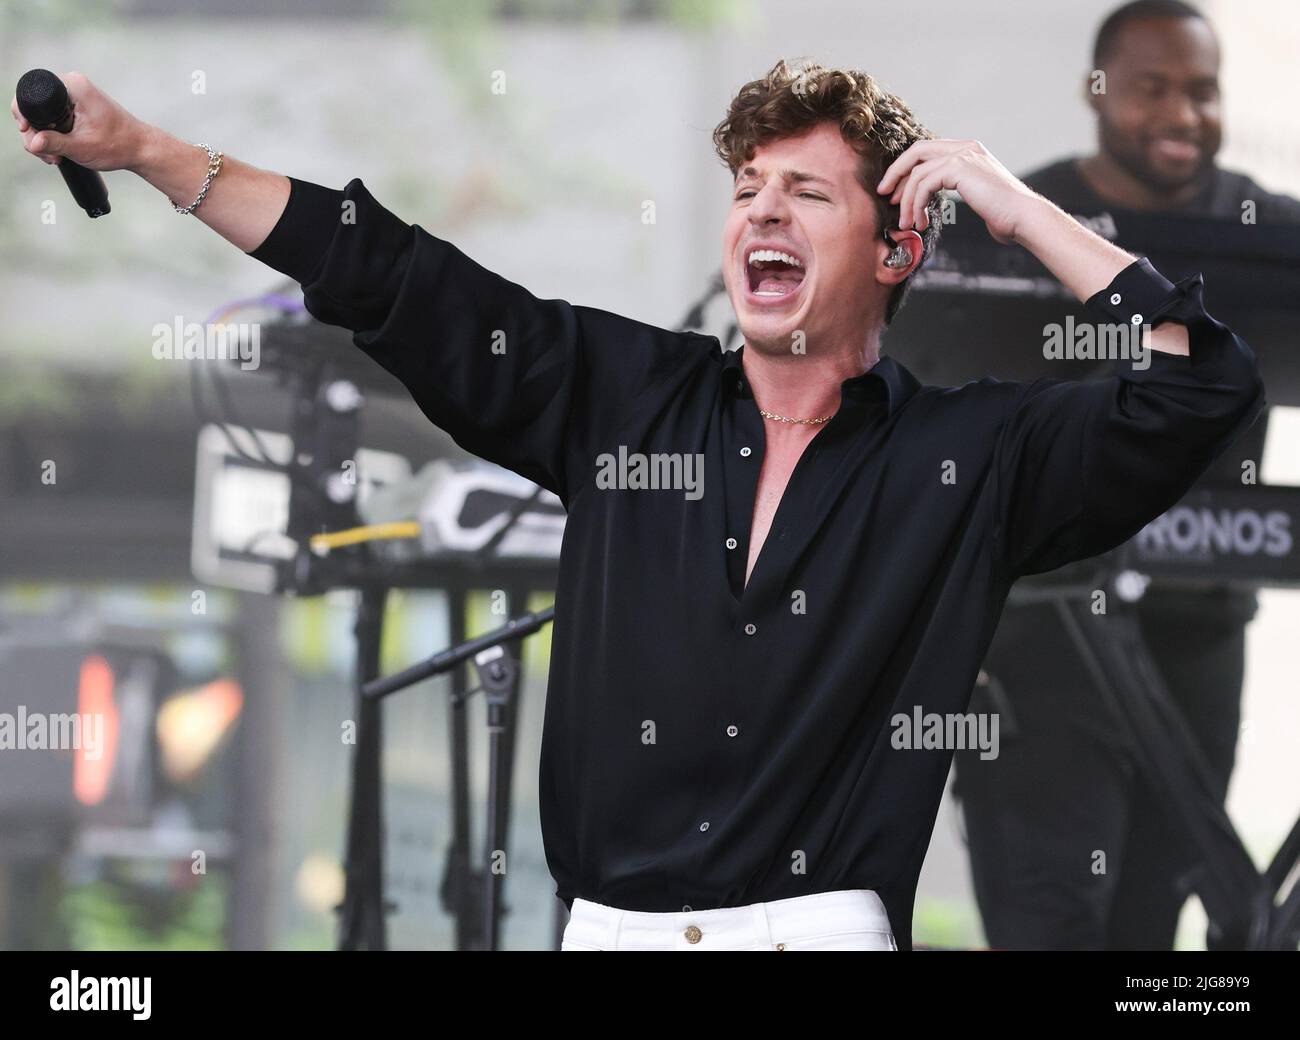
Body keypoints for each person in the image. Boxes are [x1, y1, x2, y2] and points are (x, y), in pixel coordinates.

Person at [13, 57, 1264, 952]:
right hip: (604, 928)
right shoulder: (622, 397)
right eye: (747, 190)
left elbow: (1201, 385)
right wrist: (147, 153)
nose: (763, 210)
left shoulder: (971, 454)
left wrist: (1024, 208)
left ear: (897, 250)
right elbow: (393, 272)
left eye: (808, 193)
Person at [951, 0, 1300, 951]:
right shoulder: (1012, 221)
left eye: (1203, 91)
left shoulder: (1268, 230)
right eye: (1153, 90)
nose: (1182, 115)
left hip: (1203, 627)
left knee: (1158, 923)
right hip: (1036, 635)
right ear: (1098, 92)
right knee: (1050, 917)